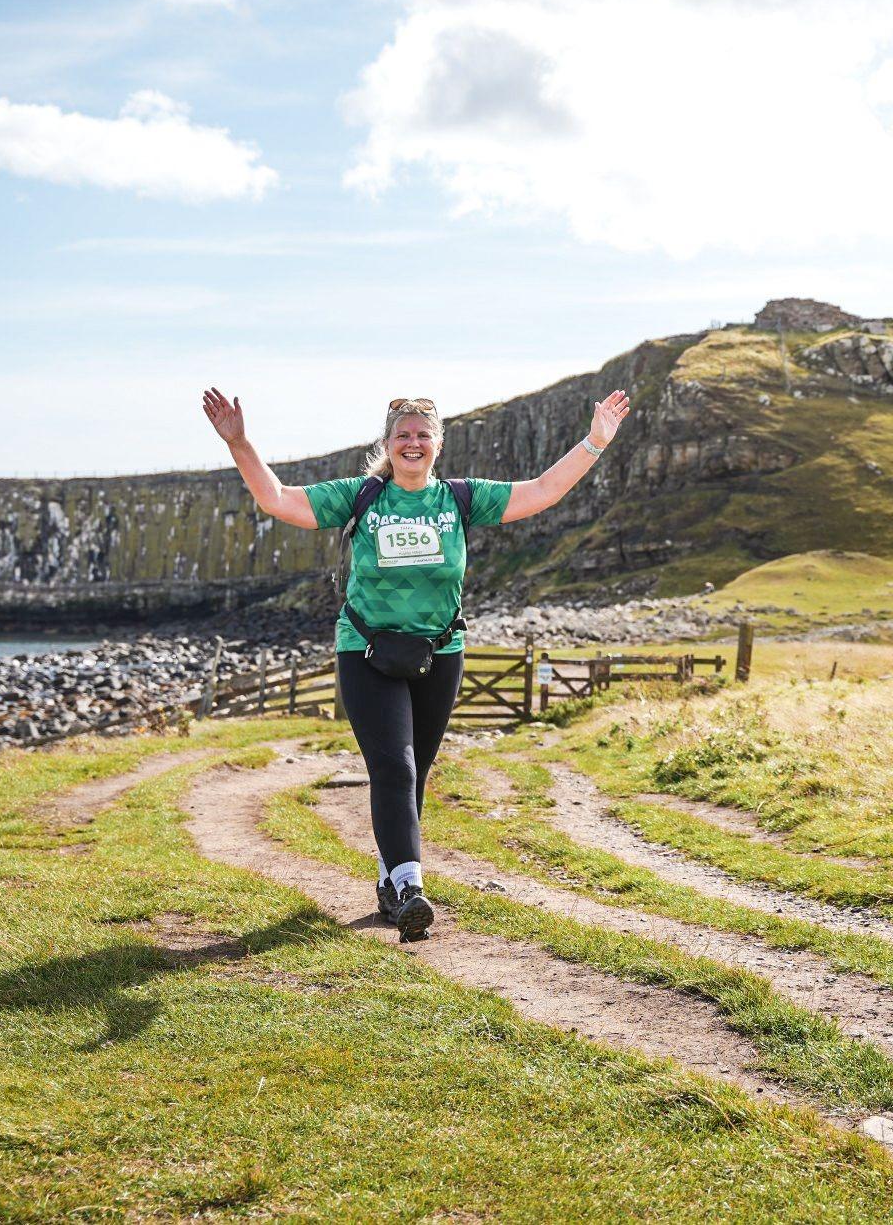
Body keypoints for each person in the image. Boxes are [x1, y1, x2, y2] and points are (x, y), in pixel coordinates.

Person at [200, 387, 631, 940]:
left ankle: (388, 879)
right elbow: (278, 499)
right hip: (366, 651)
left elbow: (543, 491)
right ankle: (410, 889)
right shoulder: (360, 496)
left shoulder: (459, 498)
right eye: (402, 434)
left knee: (414, 773)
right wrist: (239, 442)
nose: (412, 442)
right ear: (387, 443)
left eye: (422, 434)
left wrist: (596, 441)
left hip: (439, 653)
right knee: (395, 767)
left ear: (438, 445)